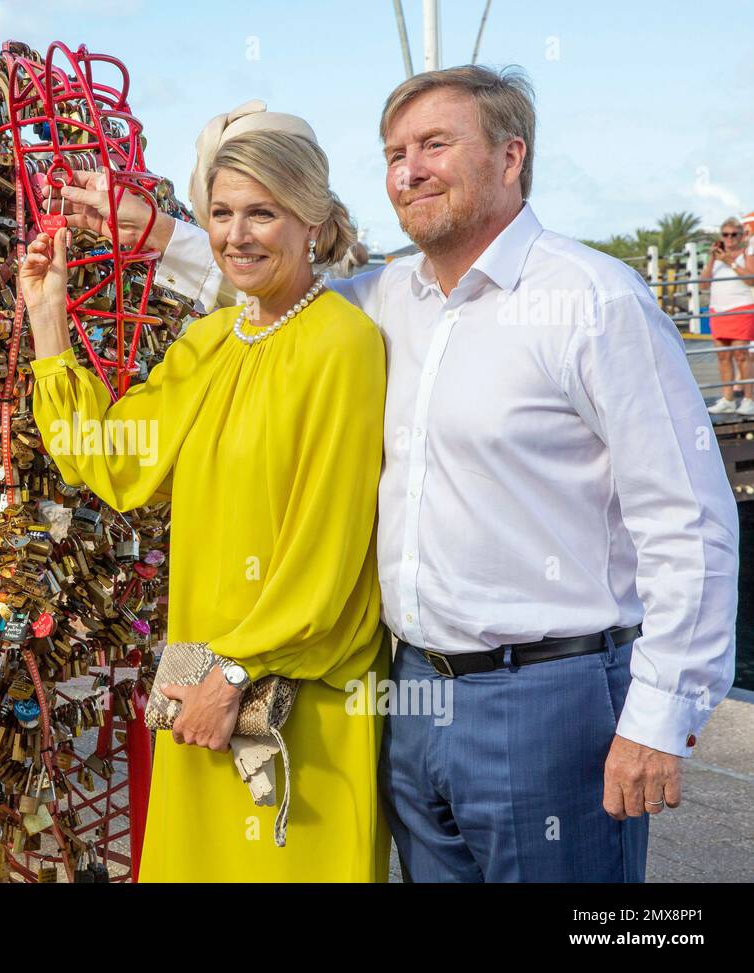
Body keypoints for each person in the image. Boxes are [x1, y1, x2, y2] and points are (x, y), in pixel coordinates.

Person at [79, 67, 739, 882]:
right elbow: (265, 286)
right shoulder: (386, 299)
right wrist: (157, 232)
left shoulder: (594, 302)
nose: (409, 170)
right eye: (394, 152)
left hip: (548, 697)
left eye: (435, 145)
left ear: (510, 156)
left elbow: (688, 519)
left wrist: (661, 716)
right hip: (411, 699)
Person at [21, 110, 390, 882]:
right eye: (222, 212)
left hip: (296, 702)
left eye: (262, 212)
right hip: (199, 690)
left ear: (312, 219)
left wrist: (233, 676)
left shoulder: (343, 344)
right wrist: (47, 319)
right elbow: (112, 461)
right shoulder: (212, 339)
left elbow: (327, 553)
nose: (237, 234)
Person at [702, 216, 754, 415]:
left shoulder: (745, 254)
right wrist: (713, 259)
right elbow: (704, 284)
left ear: (741, 236)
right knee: (723, 356)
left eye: (734, 234)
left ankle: (749, 399)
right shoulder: (717, 258)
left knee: (742, 355)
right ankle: (728, 398)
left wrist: (729, 261)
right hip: (719, 310)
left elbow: (750, 279)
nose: (730, 238)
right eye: (726, 235)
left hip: (741, 308)